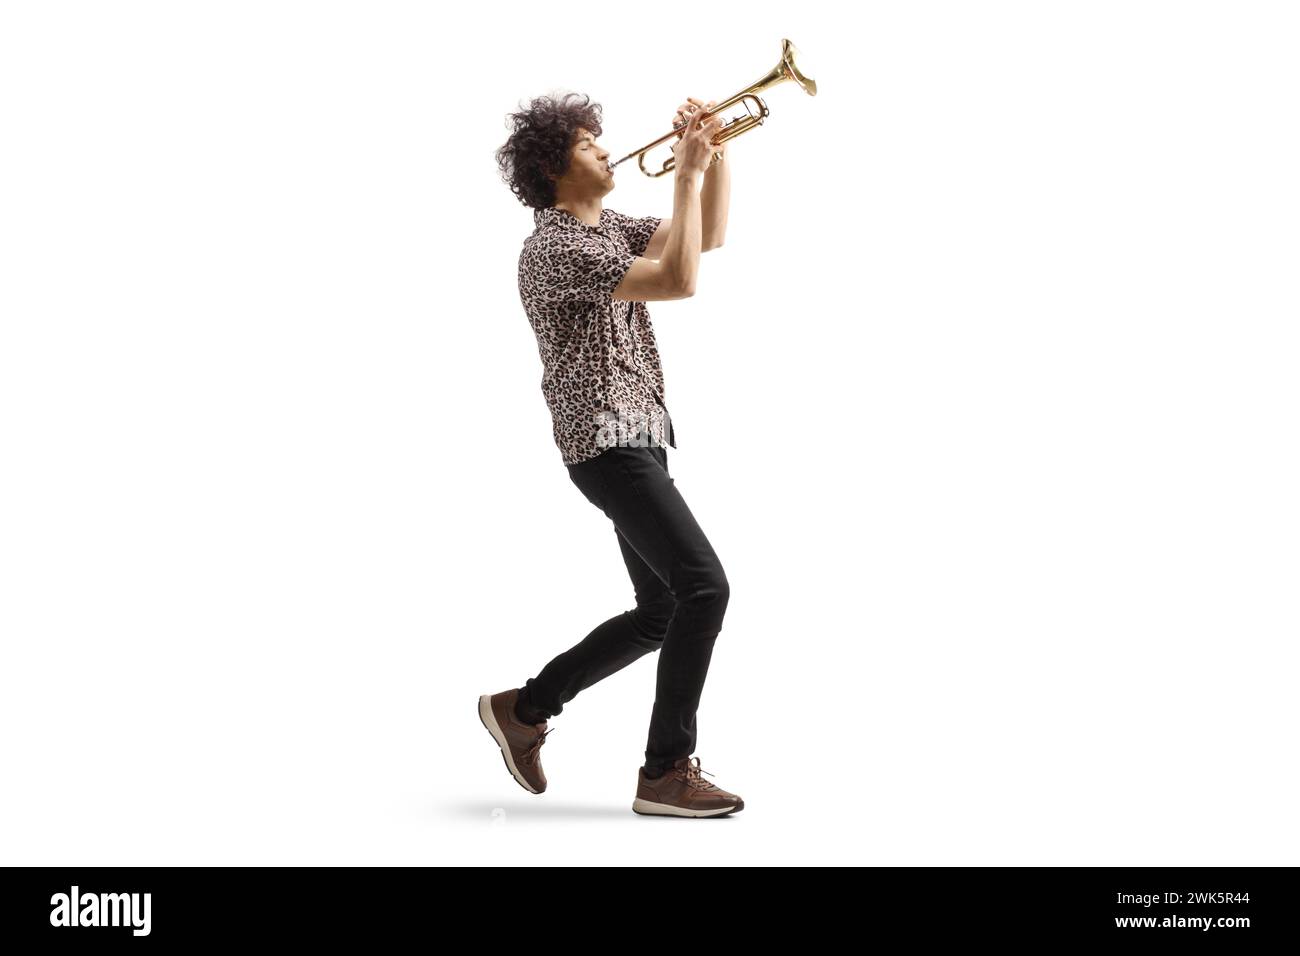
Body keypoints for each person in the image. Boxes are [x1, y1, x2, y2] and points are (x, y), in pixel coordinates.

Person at [478, 92, 744, 817]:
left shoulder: (609, 229)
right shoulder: (557, 247)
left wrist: (713, 156)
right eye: (589, 145)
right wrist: (684, 175)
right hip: (604, 440)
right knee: (705, 588)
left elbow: (707, 237)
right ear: (552, 169)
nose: (605, 150)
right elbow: (679, 282)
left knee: (661, 610)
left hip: (640, 435)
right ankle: (665, 772)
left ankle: (525, 710)